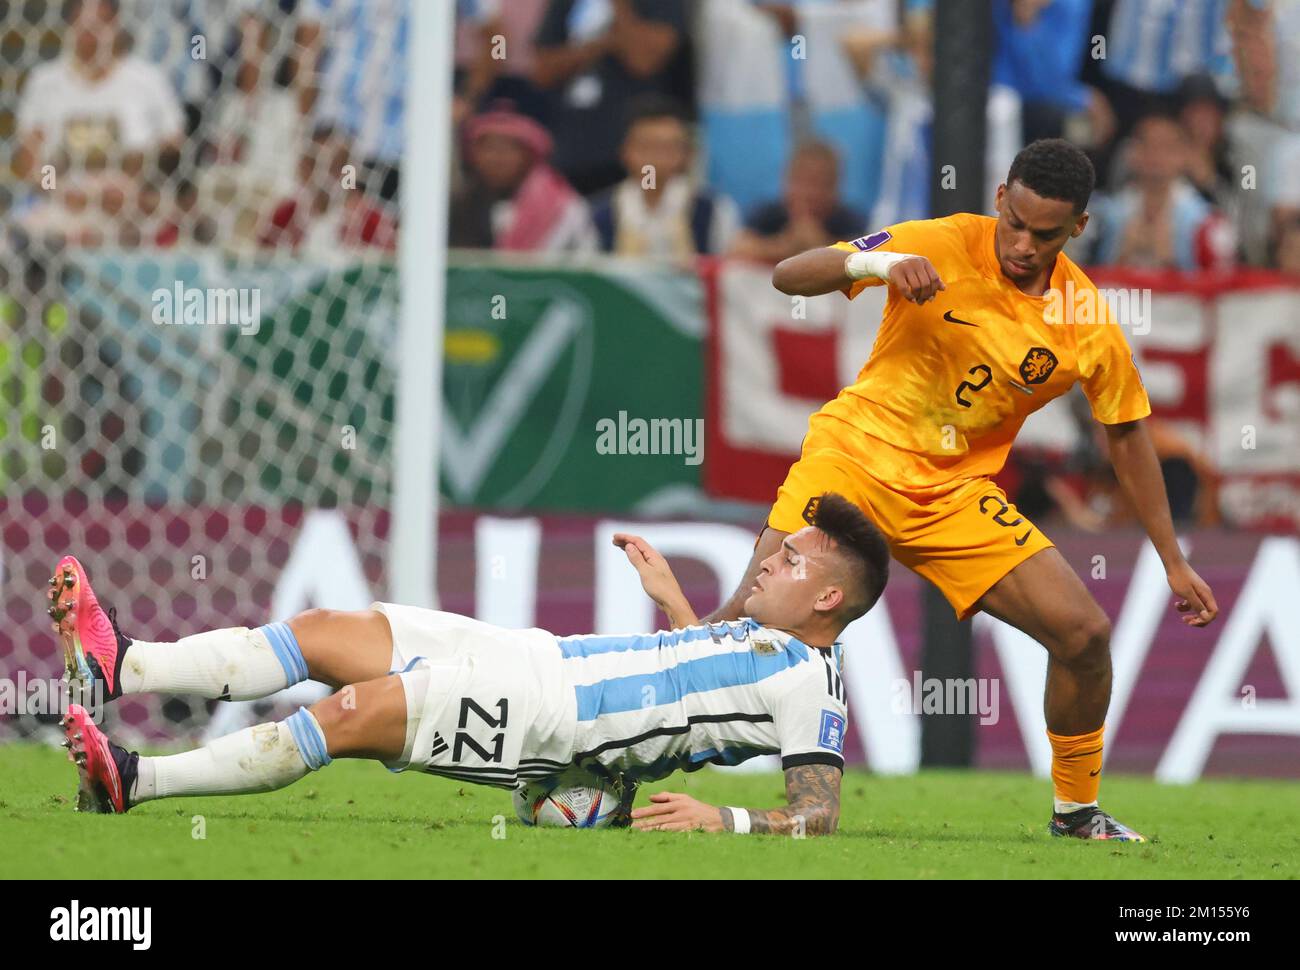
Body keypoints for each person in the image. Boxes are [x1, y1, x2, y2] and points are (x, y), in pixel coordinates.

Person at [708, 138, 1222, 842]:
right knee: (751, 623)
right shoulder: (942, 241)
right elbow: (789, 276)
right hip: (856, 456)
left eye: (1045, 234)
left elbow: (1127, 437)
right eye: (1015, 222)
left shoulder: (1087, 322)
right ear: (1000, 199)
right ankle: (608, 748)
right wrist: (879, 262)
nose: (1022, 244)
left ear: (1077, 228)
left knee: (1083, 636)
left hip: (953, 495)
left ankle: (1076, 815)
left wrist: (1172, 558)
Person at [50, 492, 889, 836]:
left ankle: (136, 781)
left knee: (352, 714)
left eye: (798, 561)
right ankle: (125, 666)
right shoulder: (753, 637)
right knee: (326, 629)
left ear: (828, 603)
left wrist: (726, 821)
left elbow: (819, 813)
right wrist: (674, 603)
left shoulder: (812, 685)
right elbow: (690, 685)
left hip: (550, 719)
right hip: (537, 657)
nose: (773, 559)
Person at [589, 96, 740, 258]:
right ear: (626, 151)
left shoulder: (714, 210)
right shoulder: (599, 214)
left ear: (685, 154)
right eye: (647, 147)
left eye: (667, 148)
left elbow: (727, 268)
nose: (656, 158)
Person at [728, 141, 864, 263]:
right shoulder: (767, 214)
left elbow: (864, 259)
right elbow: (736, 249)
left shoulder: (849, 222)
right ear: (787, 181)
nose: (810, 193)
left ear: (836, 188)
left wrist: (820, 246)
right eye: (802, 181)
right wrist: (785, 246)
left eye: (820, 183)